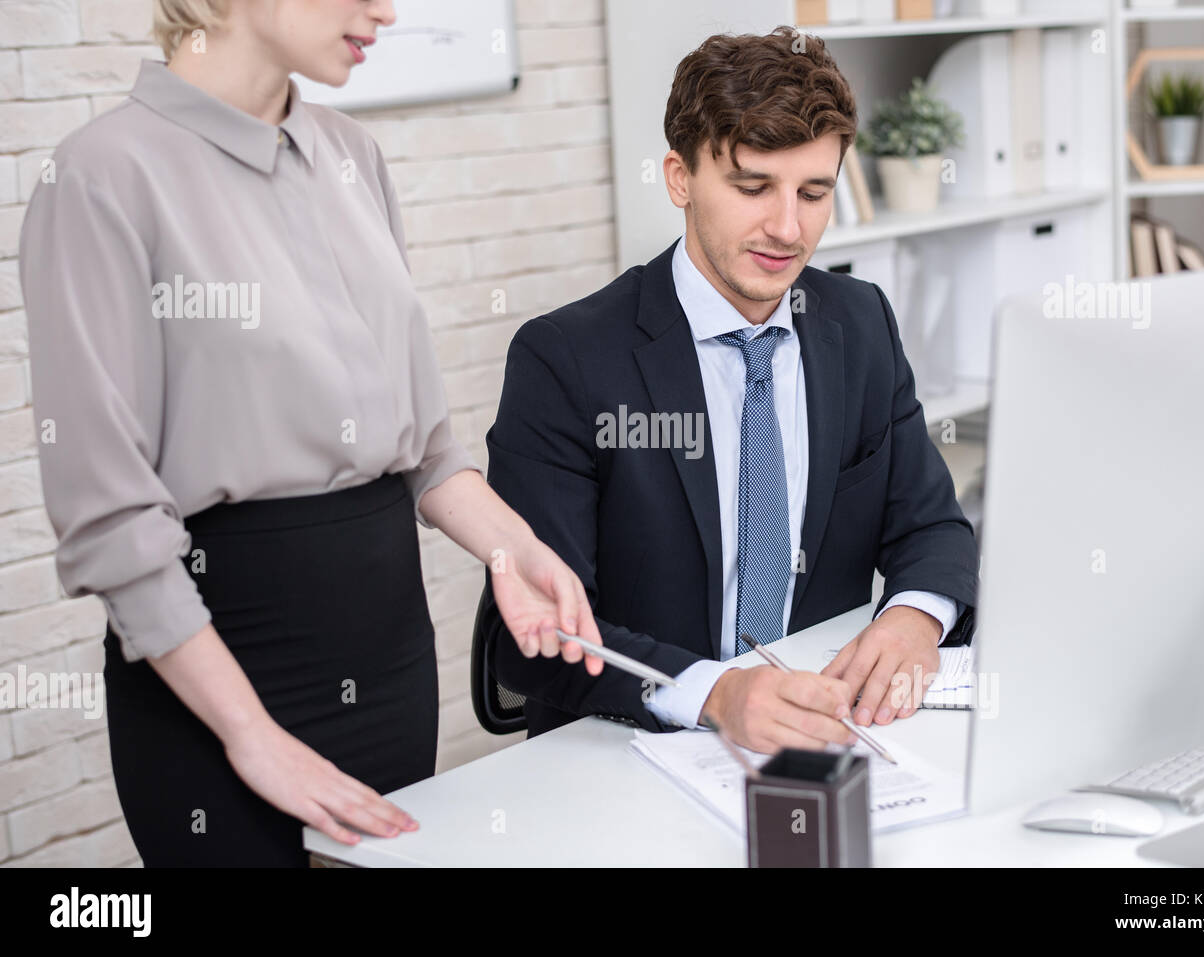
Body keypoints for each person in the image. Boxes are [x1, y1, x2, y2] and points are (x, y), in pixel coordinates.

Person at [18, 0, 602, 867]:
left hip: (390, 662)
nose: (386, 9)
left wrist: (518, 556)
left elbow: (426, 454)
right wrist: (251, 735)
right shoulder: (103, 176)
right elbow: (109, 520)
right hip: (220, 687)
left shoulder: (352, 156)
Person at [474, 27, 979, 753]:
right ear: (680, 178)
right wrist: (713, 693)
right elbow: (533, 636)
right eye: (753, 188)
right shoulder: (567, 361)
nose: (787, 228)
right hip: (635, 747)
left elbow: (931, 527)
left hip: (820, 737)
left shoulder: (857, 322)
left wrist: (914, 618)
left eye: (813, 193)